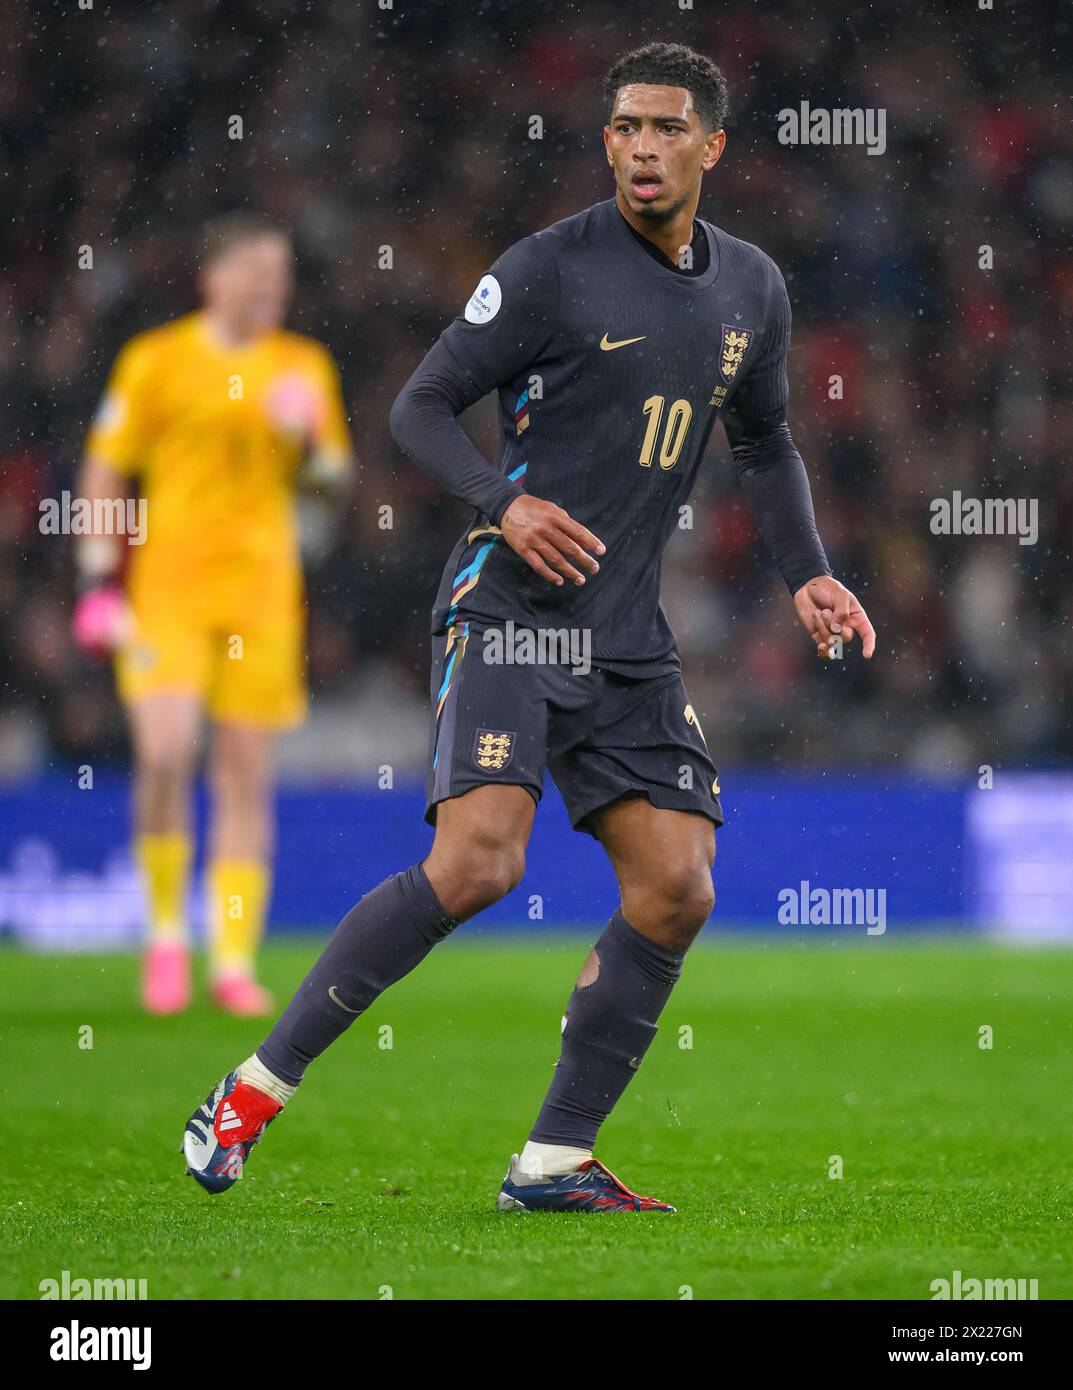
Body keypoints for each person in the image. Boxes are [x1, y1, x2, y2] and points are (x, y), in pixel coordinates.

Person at [183, 44, 874, 1210]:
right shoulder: (548, 269)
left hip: (625, 634)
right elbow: (417, 406)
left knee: (677, 885)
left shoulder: (751, 288)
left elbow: (762, 441)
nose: (642, 148)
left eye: (666, 128)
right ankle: (247, 1093)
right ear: (604, 141)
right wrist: (502, 504)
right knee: (479, 862)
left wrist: (806, 573)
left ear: (711, 146)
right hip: (509, 610)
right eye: (624, 127)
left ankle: (552, 1160)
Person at [74, 214, 352, 1017]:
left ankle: (231, 960)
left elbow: (335, 483)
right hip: (168, 593)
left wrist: (309, 443)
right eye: (257, 273)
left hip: (261, 598)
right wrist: (97, 579)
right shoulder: (155, 360)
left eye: (281, 275)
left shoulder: (302, 366)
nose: (272, 288)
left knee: (243, 775)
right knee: (165, 754)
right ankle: (166, 933)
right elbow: (105, 470)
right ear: (213, 278)